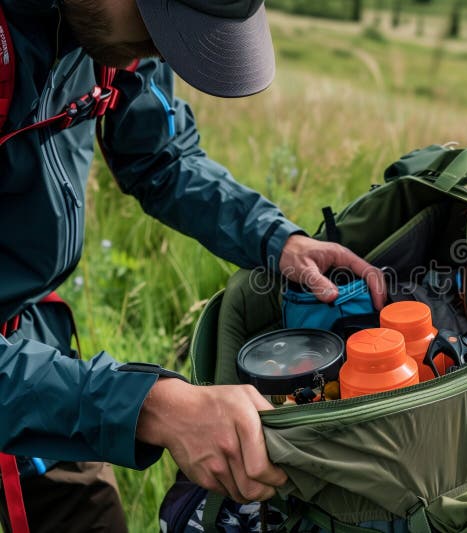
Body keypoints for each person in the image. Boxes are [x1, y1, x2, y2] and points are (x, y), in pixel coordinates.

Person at [0, 0, 386, 530]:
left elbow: (161, 157)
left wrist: (277, 240)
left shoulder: (108, 32)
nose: (162, 49)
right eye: (157, 22)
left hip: (37, 351)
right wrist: (153, 406)